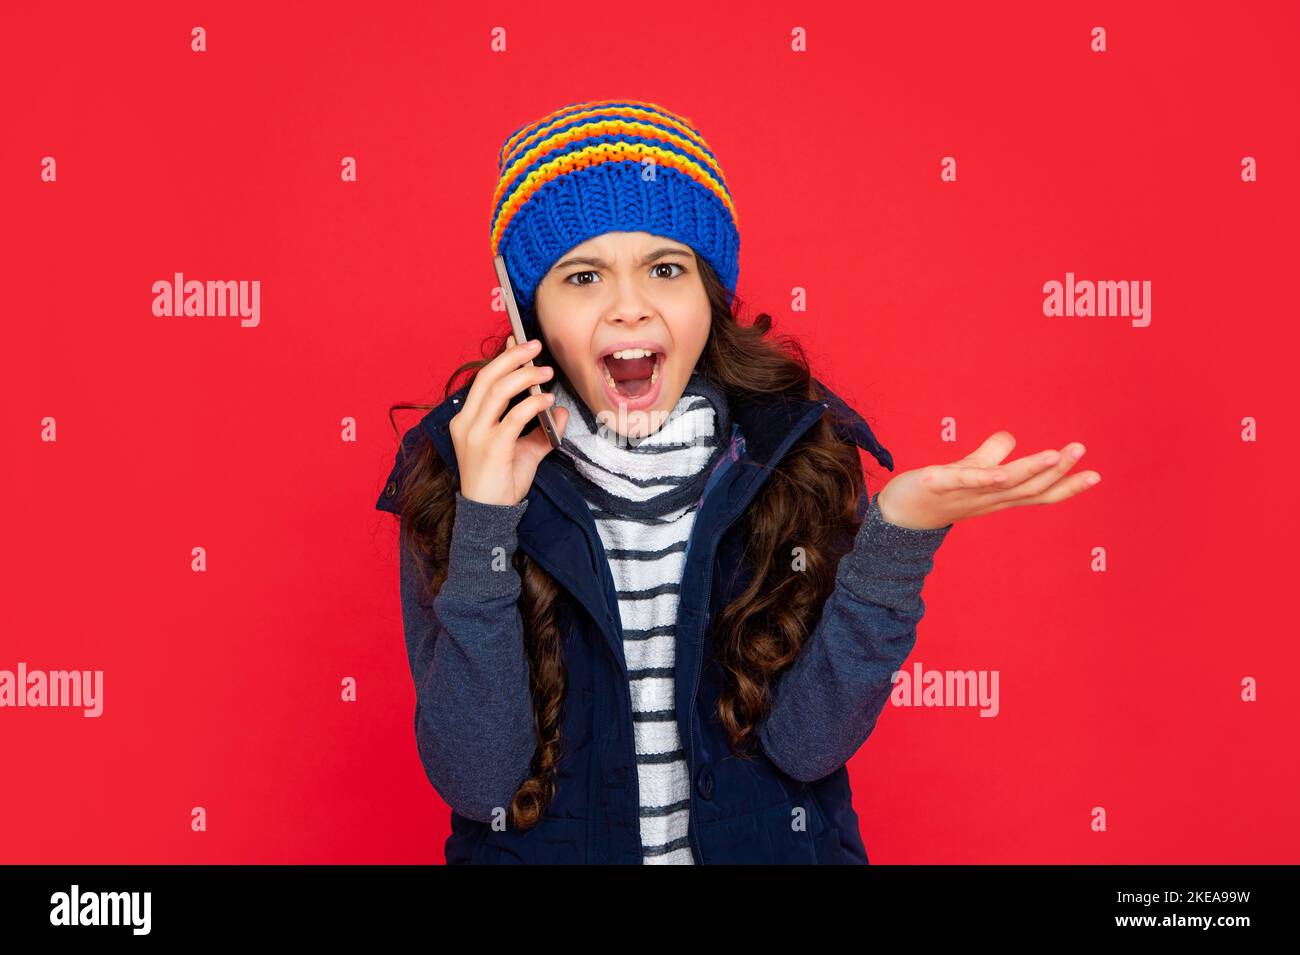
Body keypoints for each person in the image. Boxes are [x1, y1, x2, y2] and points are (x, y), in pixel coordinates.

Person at [375, 98, 1100, 864]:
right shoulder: (458, 477)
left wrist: (900, 534)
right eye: (583, 275)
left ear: (709, 294)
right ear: (532, 315)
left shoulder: (793, 460)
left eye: (665, 267)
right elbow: (479, 781)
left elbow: (807, 747)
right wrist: (487, 516)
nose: (629, 306)